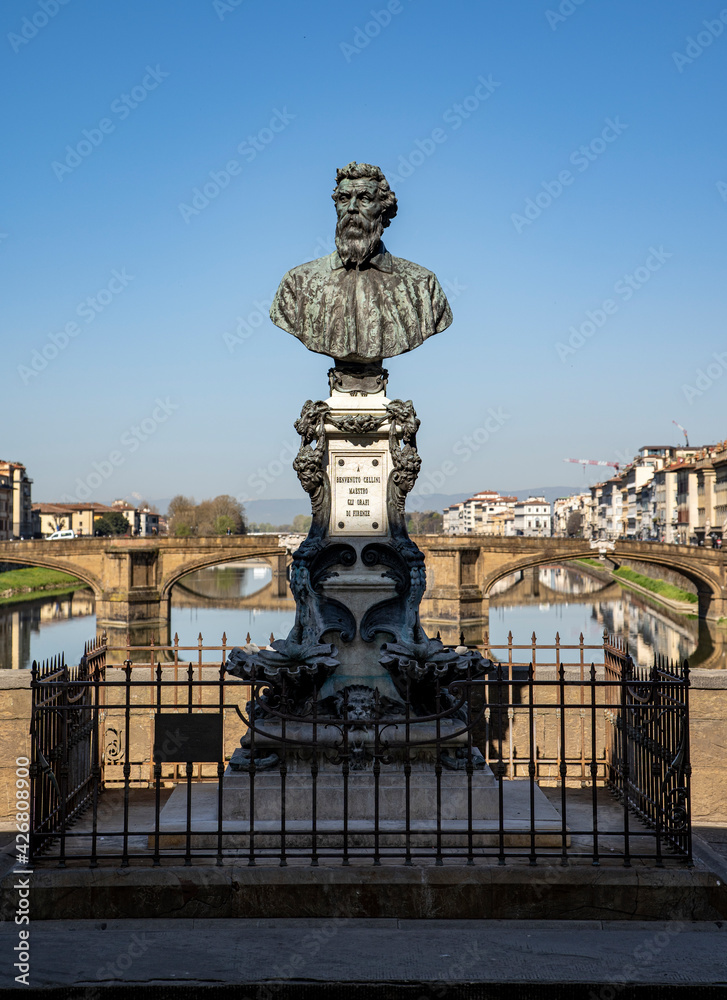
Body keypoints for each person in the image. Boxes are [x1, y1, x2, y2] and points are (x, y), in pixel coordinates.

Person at [270, 162, 453, 364]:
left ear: (383, 209)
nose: (352, 208)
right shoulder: (298, 283)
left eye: (364, 199)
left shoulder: (422, 284)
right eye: (344, 199)